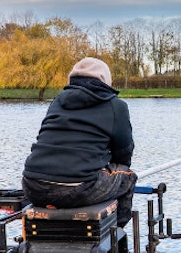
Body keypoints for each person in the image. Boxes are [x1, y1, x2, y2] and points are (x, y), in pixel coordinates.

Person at [22, 57, 137, 226]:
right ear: (105, 80)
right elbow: (124, 153)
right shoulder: (116, 105)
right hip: (80, 188)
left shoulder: (57, 101)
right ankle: (116, 234)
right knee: (128, 176)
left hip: (32, 185)